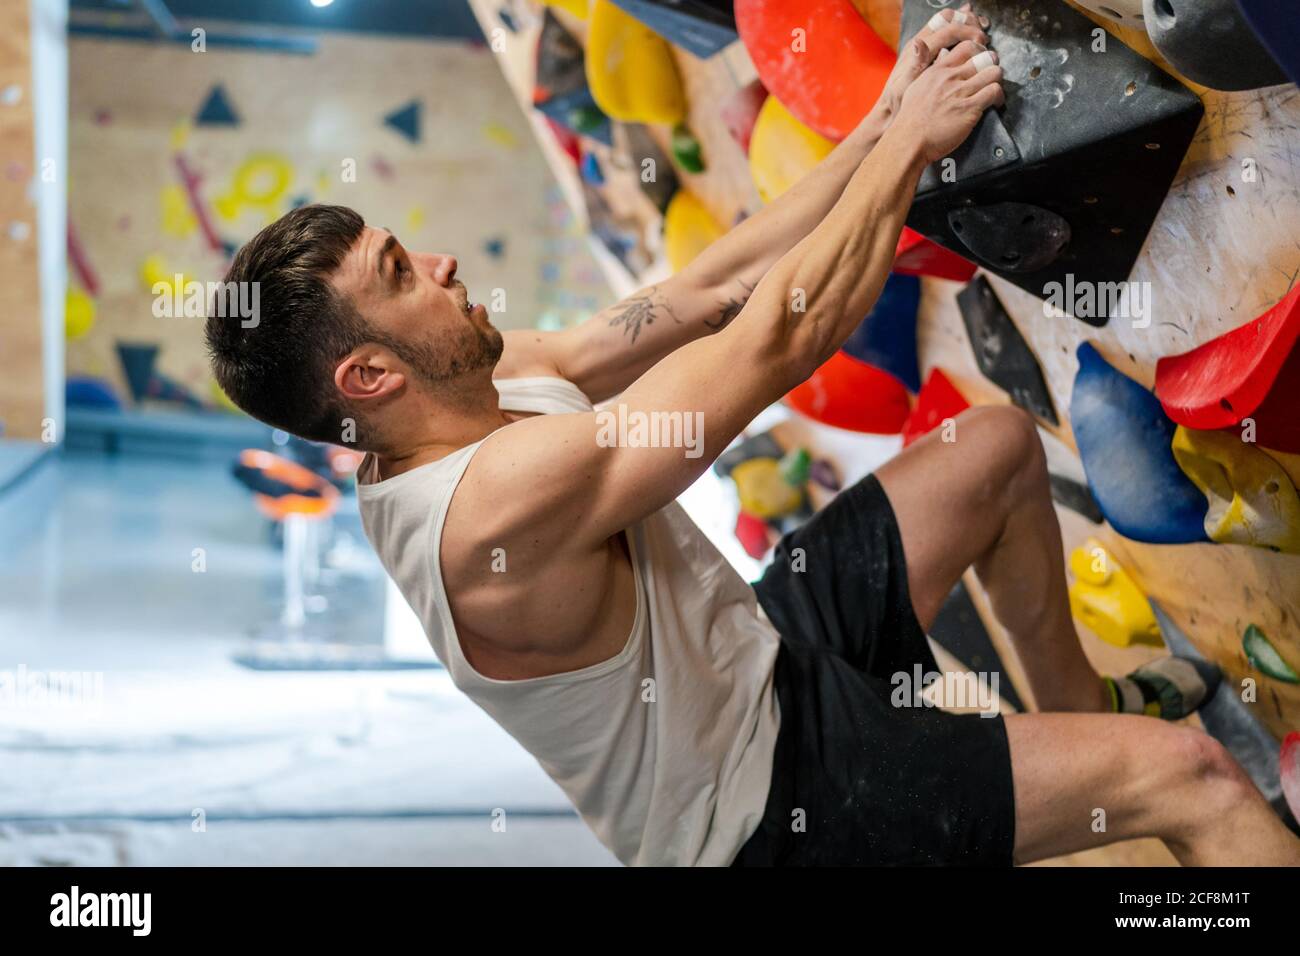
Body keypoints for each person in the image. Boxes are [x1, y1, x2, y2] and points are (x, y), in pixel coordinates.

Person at [206, 6, 1300, 866]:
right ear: (368, 374)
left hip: (760, 656)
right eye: (402, 274)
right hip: (776, 814)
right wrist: (910, 147)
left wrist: (885, 119)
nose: (439, 263)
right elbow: (781, 333)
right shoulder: (489, 511)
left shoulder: (471, 377)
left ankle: (1071, 705)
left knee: (999, 447)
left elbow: (715, 286)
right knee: (1192, 776)